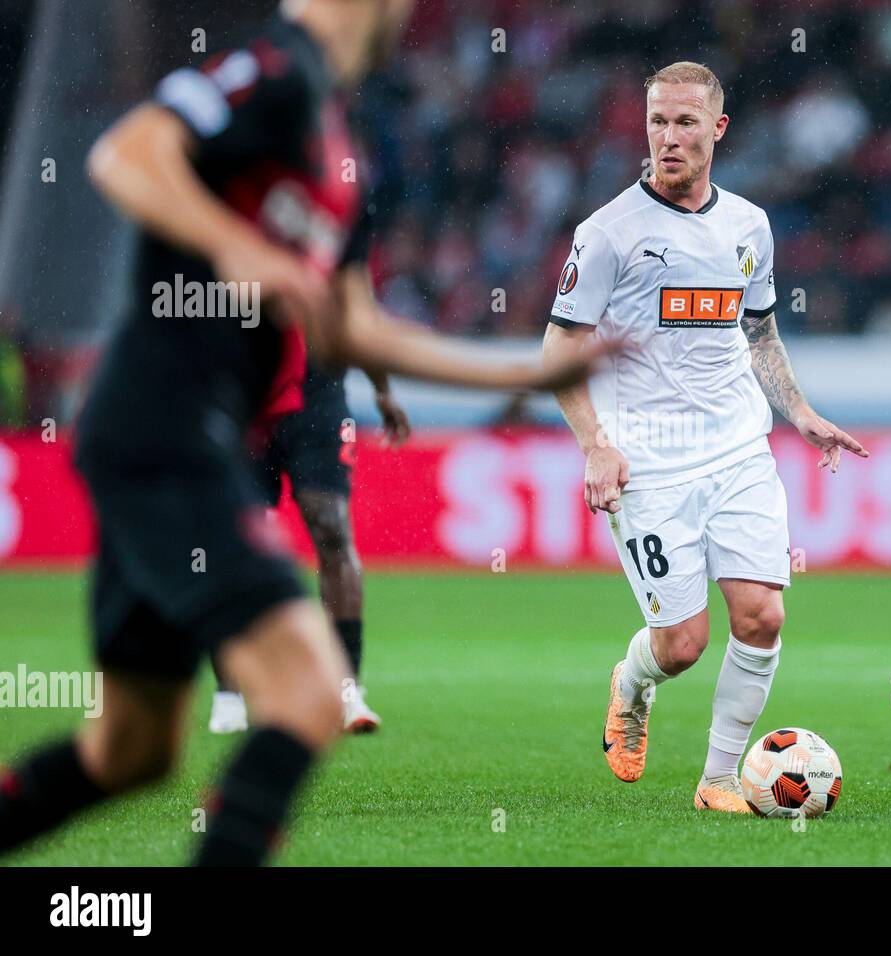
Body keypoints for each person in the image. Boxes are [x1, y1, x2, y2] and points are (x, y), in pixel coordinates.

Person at [0, 0, 606, 866]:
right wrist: (234, 246)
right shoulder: (272, 73)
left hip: (172, 437)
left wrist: (526, 376)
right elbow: (126, 153)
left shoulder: (341, 144)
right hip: (165, 427)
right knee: (308, 691)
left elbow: (351, 331)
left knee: (129, 751)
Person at [542, 62, 867, 813]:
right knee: (682, 645)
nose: (669, 136)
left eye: (686, 122)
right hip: (647, 463)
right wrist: (595, 444)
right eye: (658, 121)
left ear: (717, 129)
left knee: (763, 614)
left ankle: (719, 779)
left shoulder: (748, 225)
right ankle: (633, 680)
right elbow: (557, 351)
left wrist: (800, 410)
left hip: (738, 452)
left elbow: (758, 331)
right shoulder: (608, 235)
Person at [208, 360, 411, 736]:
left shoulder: (334, 298)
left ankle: (347, 690)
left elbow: (356, 321)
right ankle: (229, 692)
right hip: (246, 404)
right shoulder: (222, 297)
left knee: (331, 528)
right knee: (235, 542)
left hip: (319, 400)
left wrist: (382, 390)